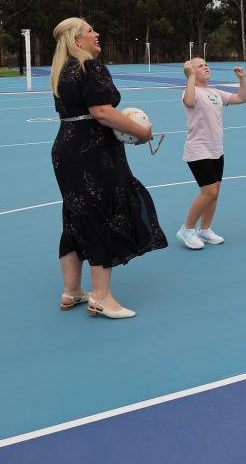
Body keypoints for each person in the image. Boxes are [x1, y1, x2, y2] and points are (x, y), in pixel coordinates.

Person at [51, 18, 167, 319]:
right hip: (93, 153)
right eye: (90, 31)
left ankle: (71, 290)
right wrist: (142, 132)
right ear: (77, 40)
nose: (96, 33)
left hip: (66, 149)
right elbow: (102, 112)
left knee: (76, 214)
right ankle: (101, 297)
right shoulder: (90, 66)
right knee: (103, 214)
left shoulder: (62, 70)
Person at [176, 59, 246, 249]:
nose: (206, 67)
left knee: (215, 193)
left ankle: (205, 229)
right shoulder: (190, 91)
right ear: (191, 71)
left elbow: (242, 98)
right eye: (200, 66)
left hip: (216, 149)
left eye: (206, 64)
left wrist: (242, 79)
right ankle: (187, 229)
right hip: (198, 149)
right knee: (209, 192)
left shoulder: (215, 93)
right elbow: (189, 102)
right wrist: (190, 76)